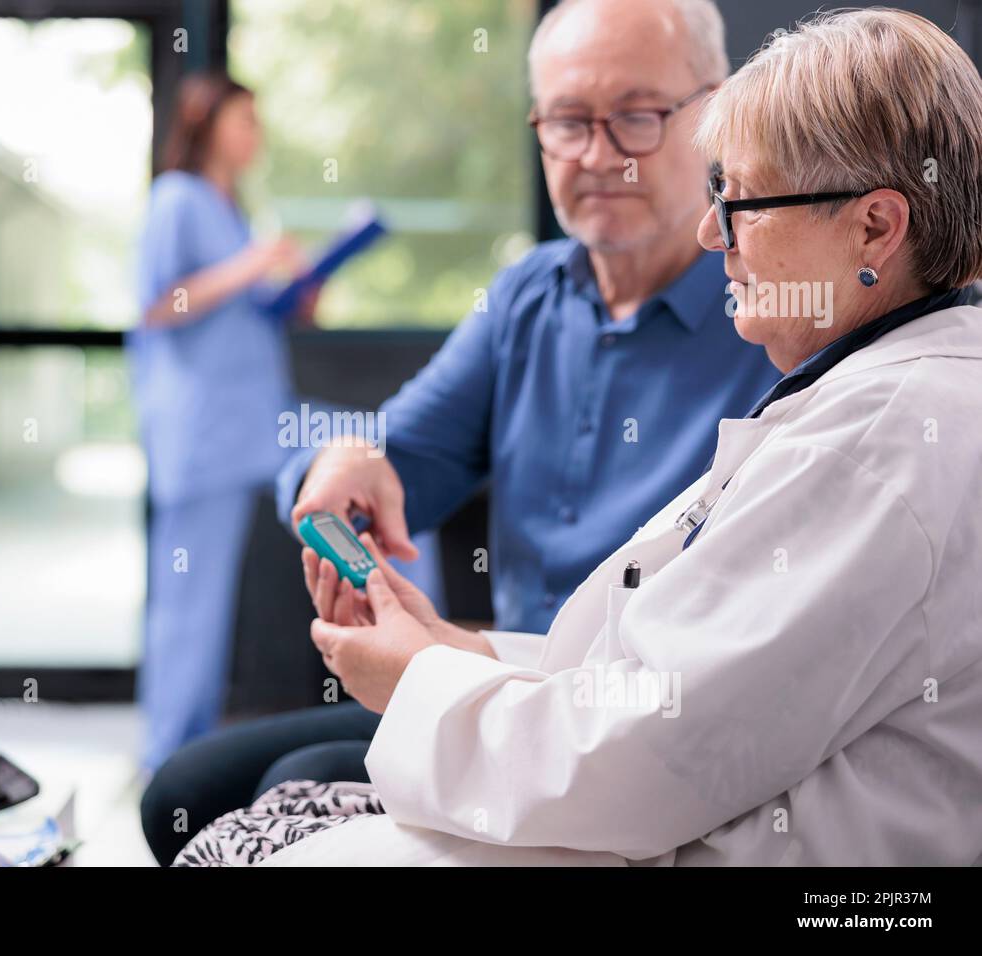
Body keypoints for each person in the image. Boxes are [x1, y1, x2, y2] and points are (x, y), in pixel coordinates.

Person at [187, 6, 982, 867]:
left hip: (590, 756)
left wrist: (428, 675)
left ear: (874, 228)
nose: (599, 155)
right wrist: (351, 471)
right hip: (547, 707)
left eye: (638, 117)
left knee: (259, 811)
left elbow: (650, 749)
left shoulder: (841, 404)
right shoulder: (538, 298)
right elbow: (385, 459)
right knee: (206, 792)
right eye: (567, 121)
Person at [132, 72, 314, 771]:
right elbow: (159, 305)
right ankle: (170, 762)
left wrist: (295, 288)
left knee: (372, 455)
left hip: (260, 418)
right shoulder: (176, 200)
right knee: (191, 603)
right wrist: (251, 266)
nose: (255, 136)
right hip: (203, 429)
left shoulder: (232, 209)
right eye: (244, 120)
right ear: (206, 124)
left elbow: (242, 309)